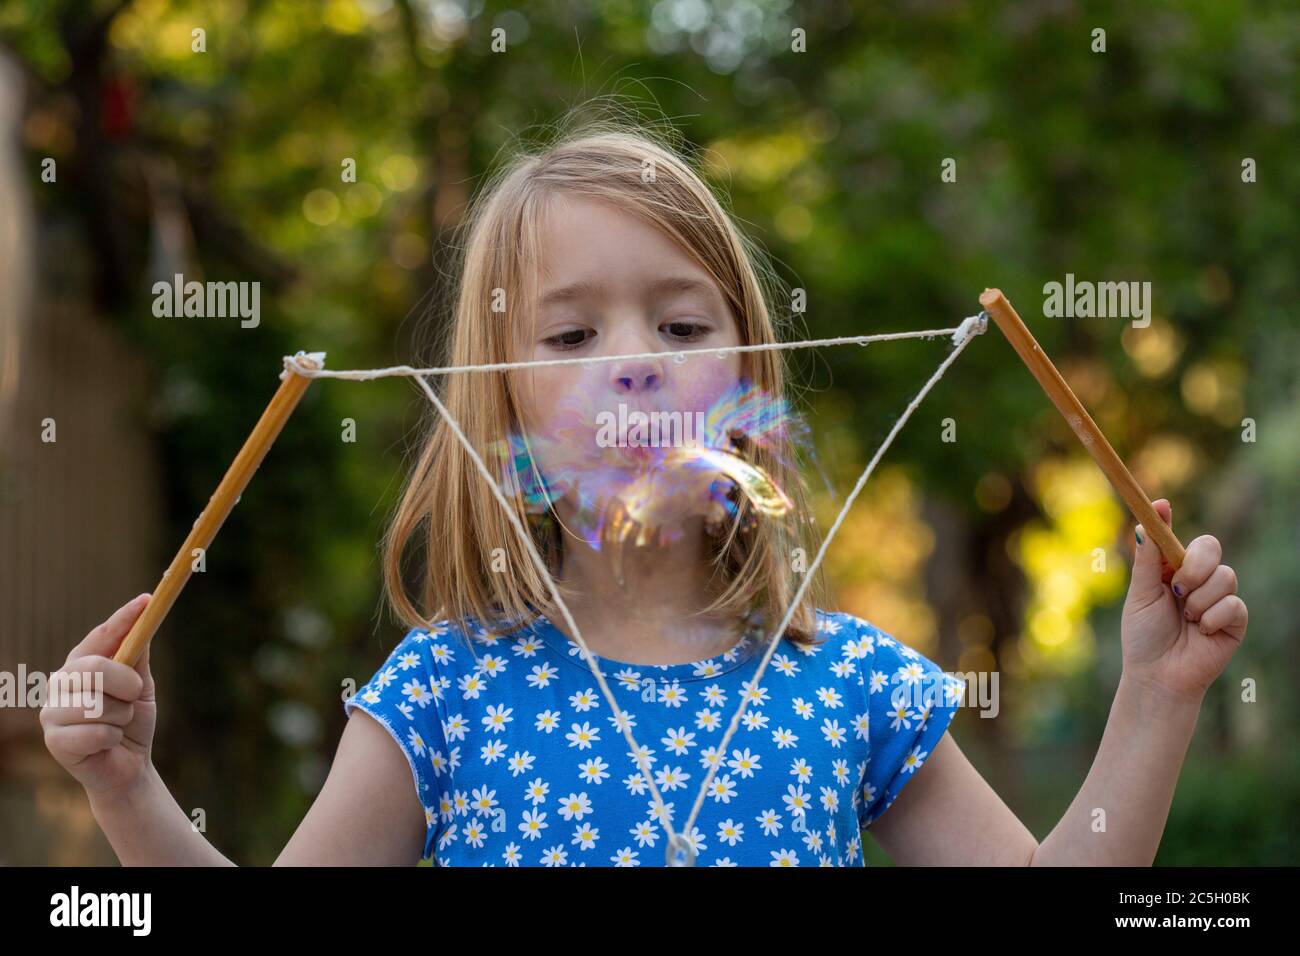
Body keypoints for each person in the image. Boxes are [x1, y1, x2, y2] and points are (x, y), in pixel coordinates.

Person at [40, 118, 1248, 866]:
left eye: (679, 320)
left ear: (747, 381)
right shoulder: (446, 691)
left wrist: (1153, 694)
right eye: (567, 335)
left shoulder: (851, 684)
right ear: (498, 411)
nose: (634, 357)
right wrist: (127, 786)